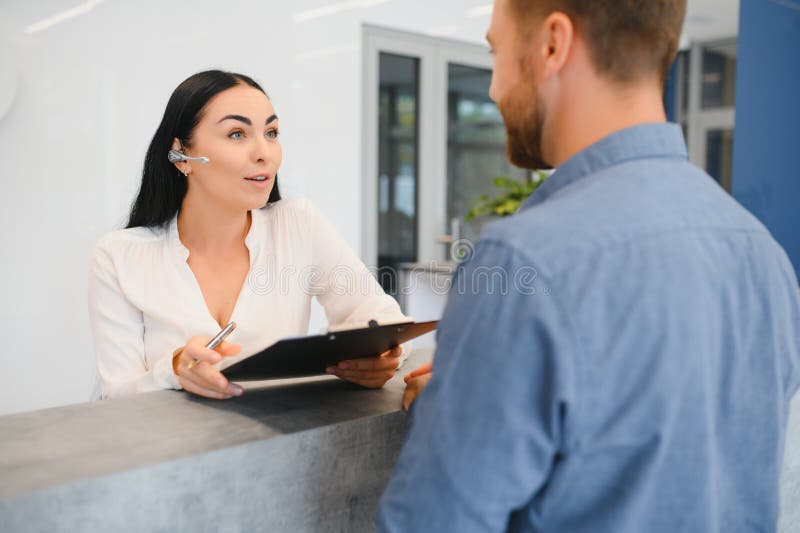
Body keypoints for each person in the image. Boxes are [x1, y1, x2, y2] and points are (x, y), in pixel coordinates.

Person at [379, 0, 800, 531]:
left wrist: (449, 417)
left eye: (497, 52)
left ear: (552, 44)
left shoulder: (524, 263)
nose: (492, 89)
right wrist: (477, 397)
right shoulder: (762, 253)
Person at [88, 70, 406, 400]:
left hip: (278, 444)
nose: (264, 153)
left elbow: (382, 315)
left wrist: (382, 356)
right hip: (168, 449)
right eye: (237, 134)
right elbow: (116, 396)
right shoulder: (118, 256)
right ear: (181, 155)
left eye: (271, 132)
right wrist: (174, 369)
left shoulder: (298, 224)